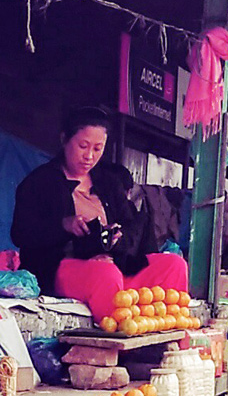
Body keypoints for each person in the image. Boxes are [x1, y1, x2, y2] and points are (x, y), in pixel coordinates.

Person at [11, 107, 187, 318]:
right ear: (64, 139)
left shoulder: (109, 182)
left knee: (174, 265)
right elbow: (20, 233)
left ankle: (170, 342)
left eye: (98, 148)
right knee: (105, 274)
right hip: (63, 270)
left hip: (115, 267)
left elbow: (131, 226)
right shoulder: (39, 182)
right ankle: (119, 342)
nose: (89, 156)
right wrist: (63, 226)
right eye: (83, 146)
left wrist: (119, 238)